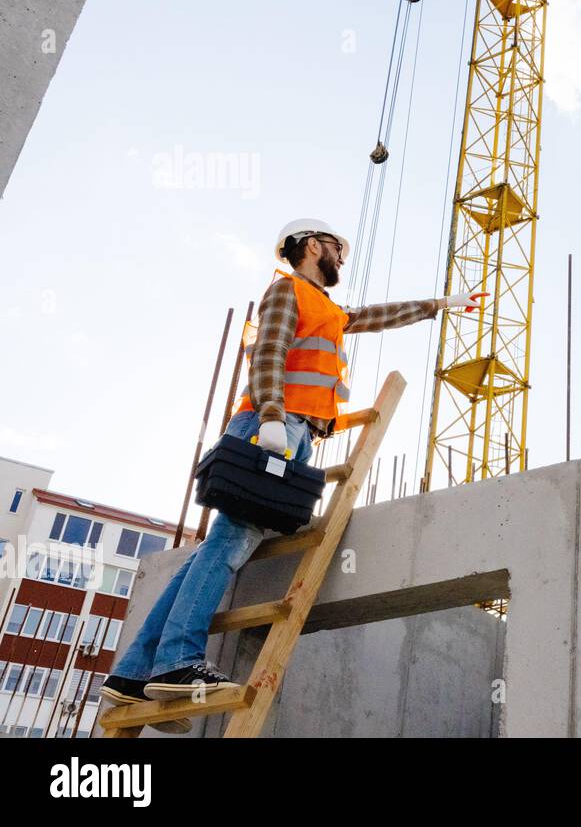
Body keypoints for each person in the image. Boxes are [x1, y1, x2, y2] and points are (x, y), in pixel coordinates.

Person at [101, 219, 485, 729]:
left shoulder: (325, 308)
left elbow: (374, 316)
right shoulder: (287, 291)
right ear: (308, 247)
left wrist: (438, 305)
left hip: (293, 432)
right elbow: (268, 353)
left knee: (219, 546)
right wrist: (273, 416)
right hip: (271, 426)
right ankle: (176, 660)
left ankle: (131, 673)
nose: (342, 256)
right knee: (229, 544)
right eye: (334, 247)